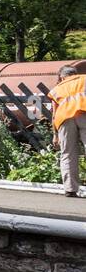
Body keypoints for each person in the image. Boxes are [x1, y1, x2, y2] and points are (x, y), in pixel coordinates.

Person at [49, 64, 86, 196]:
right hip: (84, 114)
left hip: (64, 119)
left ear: (61, 76)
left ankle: (70, 189)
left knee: (67, 153)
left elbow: (54, 114)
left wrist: (55, 135)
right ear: (75, 73)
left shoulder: (57, 89)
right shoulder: (84, 79)